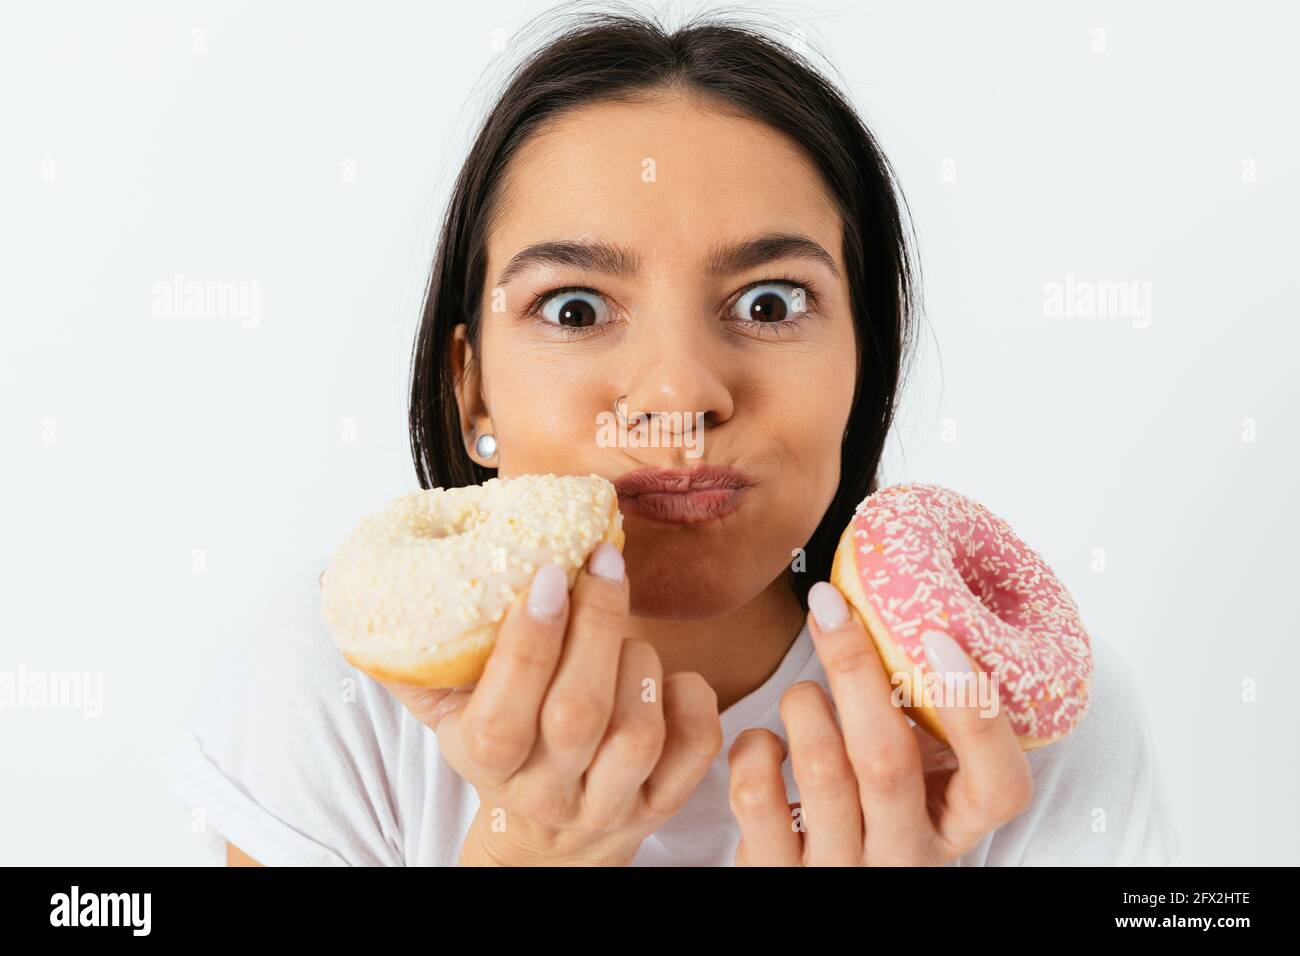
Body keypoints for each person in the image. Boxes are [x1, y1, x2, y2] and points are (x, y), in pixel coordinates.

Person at [160, 9, 1182, 867]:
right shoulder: (342, 693)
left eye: (771, 302)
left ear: (864, 363)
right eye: (572, 308)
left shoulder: (1020, 738)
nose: (680, 394)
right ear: (469, 389)